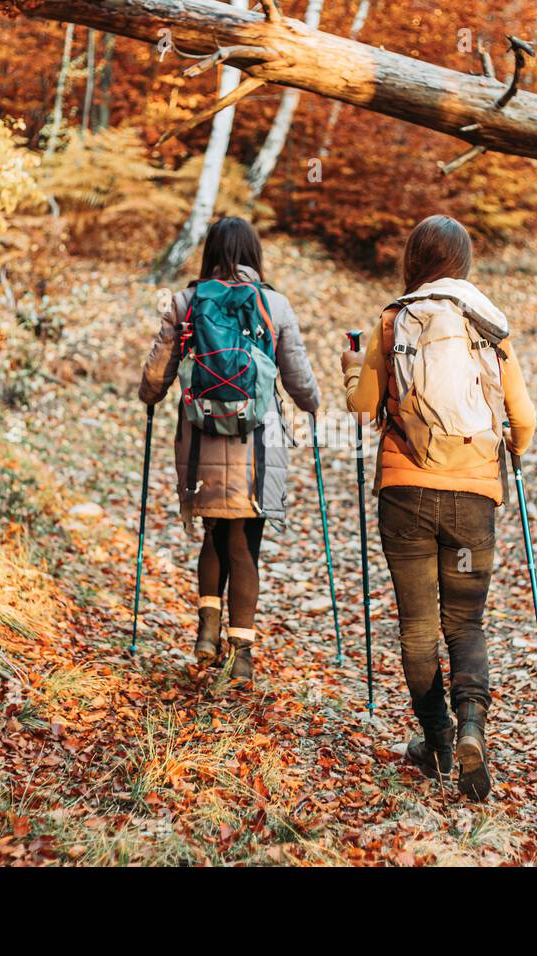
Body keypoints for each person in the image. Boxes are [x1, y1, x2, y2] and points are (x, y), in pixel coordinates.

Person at [342, 214, 536, 800]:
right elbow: (523, 420)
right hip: (473, 497)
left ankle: (438, 741)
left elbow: (364, 405)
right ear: (464, 263)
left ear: (416, 260)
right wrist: (510, 450)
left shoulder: (393, 319)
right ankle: (474, 726)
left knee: (418, 626)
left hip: (405, 495)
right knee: (466, 621)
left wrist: (353, 370)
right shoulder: (488, 324)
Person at [139, 217, 320, 682]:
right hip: (257, 441)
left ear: (211, 251)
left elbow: (159, 372)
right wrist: (313, 403)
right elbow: (298, 377)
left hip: (200, 440)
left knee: (213, 531)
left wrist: (149, 397)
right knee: (245, 542)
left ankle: (206, 631)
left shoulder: (187, 301)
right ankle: (241, 654)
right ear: (253, 254)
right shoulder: (274, 305)